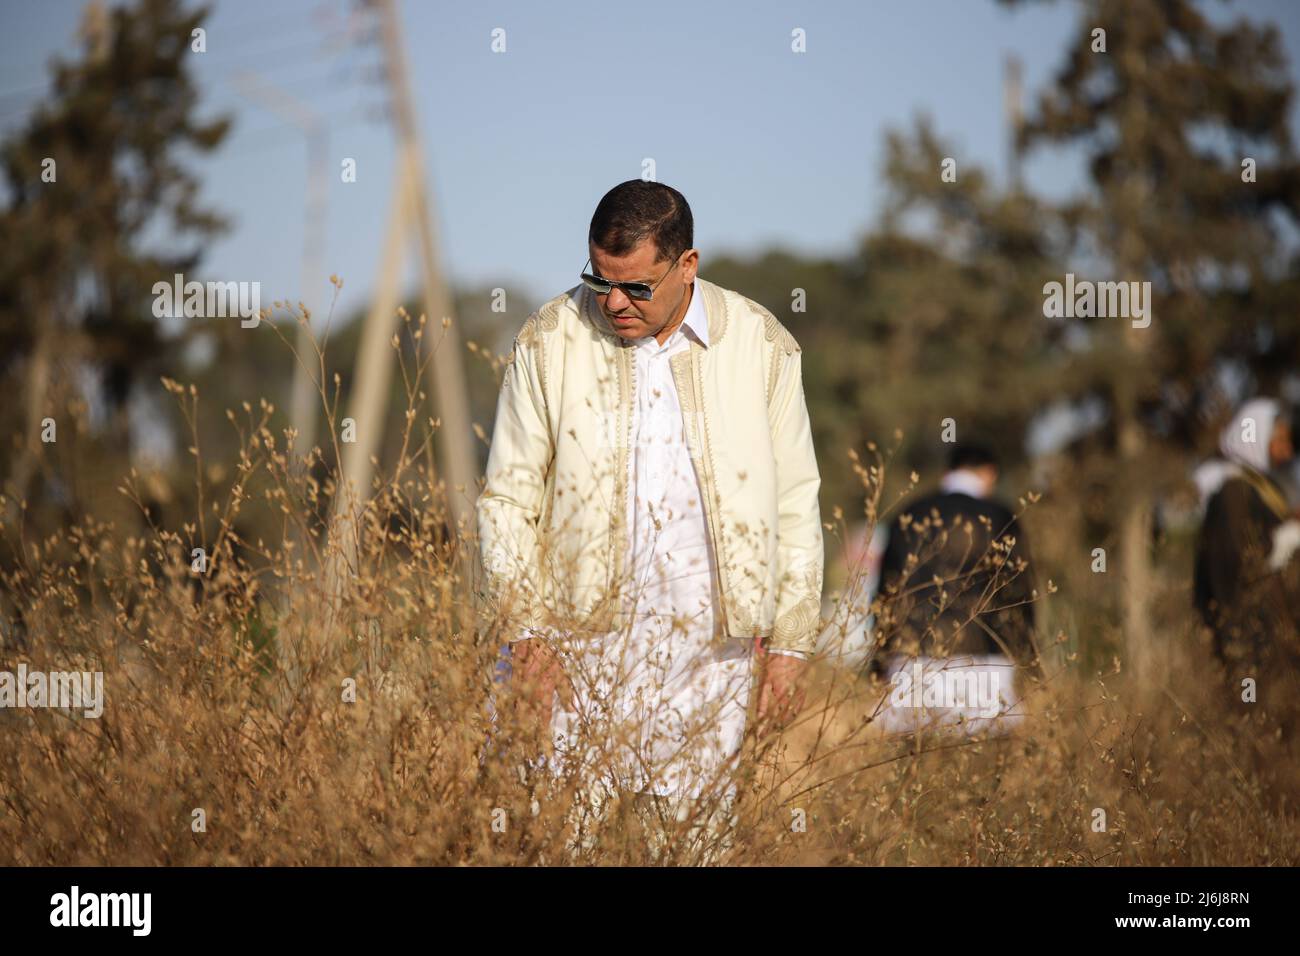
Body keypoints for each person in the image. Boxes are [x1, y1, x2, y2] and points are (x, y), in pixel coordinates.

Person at [476, 180, 824, 859]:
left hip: (712, 664)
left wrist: (790, 646)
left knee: (696, 853)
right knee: (554, 849)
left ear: (687, 265)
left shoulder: (761, 345)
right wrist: (527, 637)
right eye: (597, 279)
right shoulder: (550, 339)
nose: (612, 303)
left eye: (636, 287)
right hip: (573, 658)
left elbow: (796, 502)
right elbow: (507, 499)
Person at [870, 443, 1038, 735]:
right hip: (984, 662)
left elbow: (886, 591)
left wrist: (879, 662)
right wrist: (1029, 659)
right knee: (982, 765)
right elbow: (1019, 593)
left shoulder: (908, 515)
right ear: (990, 474)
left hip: (912, 662)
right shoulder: (1000, 517)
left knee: (912, 764)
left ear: (947, 472)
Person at [1193, 398, 1300, 681]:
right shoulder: (1232, 491)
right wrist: (1287, 537)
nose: (1286, 451)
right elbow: (1239, 561)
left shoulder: (1259, 488)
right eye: (1280, 441)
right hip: (1246, 639)